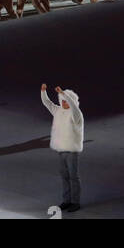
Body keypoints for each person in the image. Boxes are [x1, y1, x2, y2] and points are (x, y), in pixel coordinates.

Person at [41, 84, 83, 213]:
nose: (64, 103)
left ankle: (75, 202)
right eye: (62, 101)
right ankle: (66, 200)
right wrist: (43, 91)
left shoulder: (76, 114)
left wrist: (64, 94)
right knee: (64, 176)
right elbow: (47, 103)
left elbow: (73, 106)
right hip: (61, 151)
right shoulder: (58, 111)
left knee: (73, 177)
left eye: (66, 101)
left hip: (71, 151)